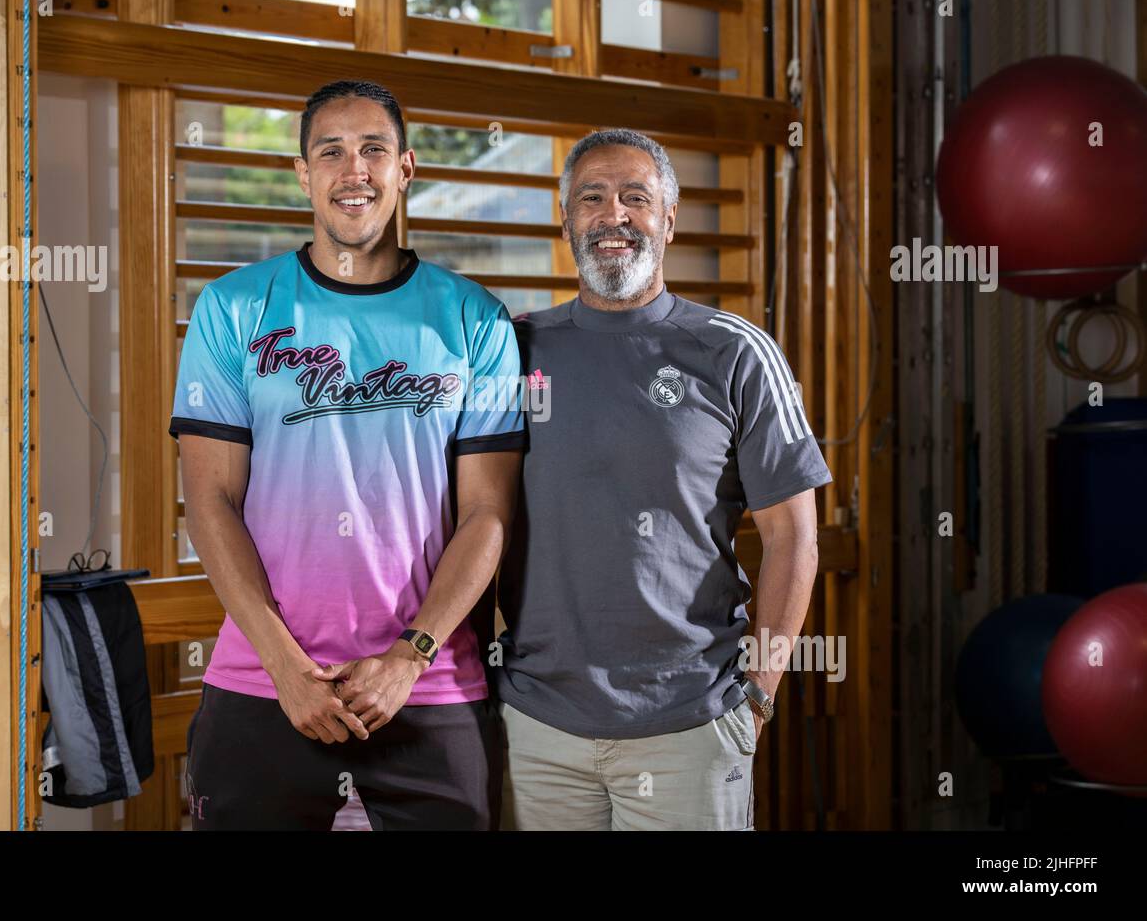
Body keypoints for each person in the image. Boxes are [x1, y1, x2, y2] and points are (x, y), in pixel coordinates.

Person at [171, 80, 524, 830]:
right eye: (330, 151)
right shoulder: (232, 308)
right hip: (263, 682)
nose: (353, 169)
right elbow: (209, 500)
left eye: (374, 150)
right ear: (304, 174)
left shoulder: (477, 320)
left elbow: (488, 512)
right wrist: (286, 666)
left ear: (406, 169)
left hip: (429, 689)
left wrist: (409, 655)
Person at [494, 129, 832, 830]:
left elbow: (794, 538)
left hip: (690, 727)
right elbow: (469, 516)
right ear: (566, 223)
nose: (612, 215)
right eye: (591, 198)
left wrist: (759, 698)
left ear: (668, 220)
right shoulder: (512, 349)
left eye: (635, 198)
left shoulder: (737, 352)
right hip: (537, 725)